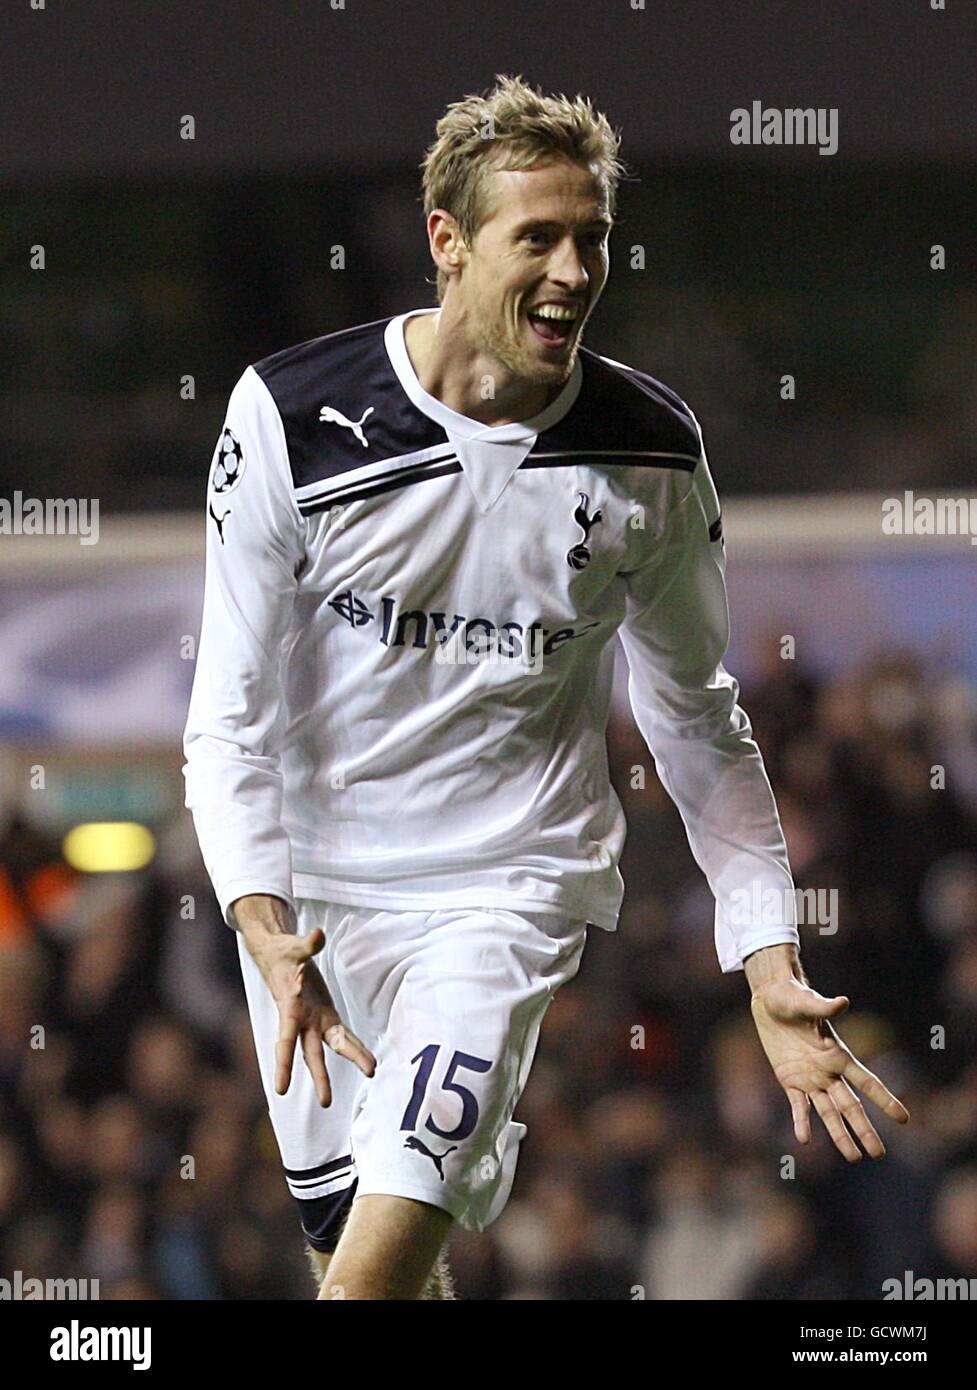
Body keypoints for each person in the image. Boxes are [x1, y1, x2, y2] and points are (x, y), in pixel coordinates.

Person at [182, 74, 909, 1301]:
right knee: (368, 1273)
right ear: (447, 243)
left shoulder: (649, 451)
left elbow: (695, 713)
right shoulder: (288, 422)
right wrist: (260, 920)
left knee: (364, 1282)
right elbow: (229, 715)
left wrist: (766, 956)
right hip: (315, 905)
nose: (573, 271)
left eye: (593, 240)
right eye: (539, 238)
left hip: (503, 897)